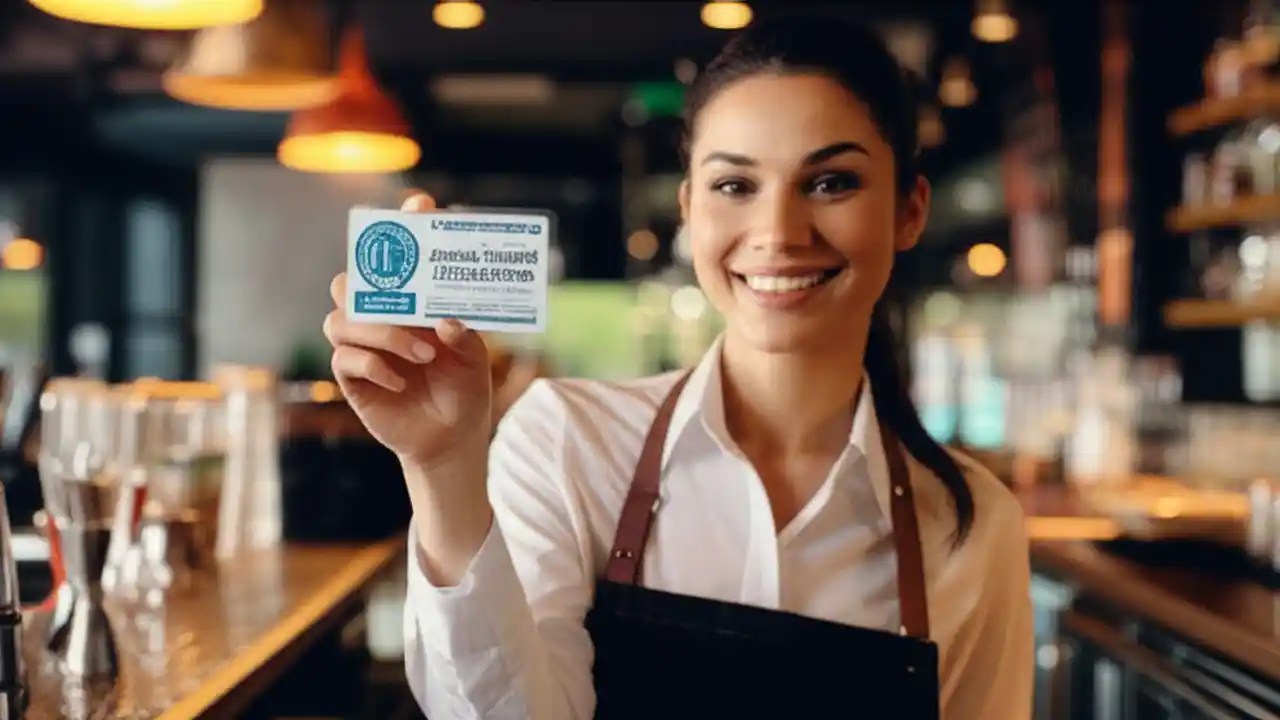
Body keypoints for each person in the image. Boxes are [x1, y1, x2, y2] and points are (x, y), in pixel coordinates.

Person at [323, 17, 1032, 719]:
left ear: (908, 212)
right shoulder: (570, 441)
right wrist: (443, 466)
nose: (779, 234)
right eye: (734, 186)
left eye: (831, 182)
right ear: (690, 208)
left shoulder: (974, 525)